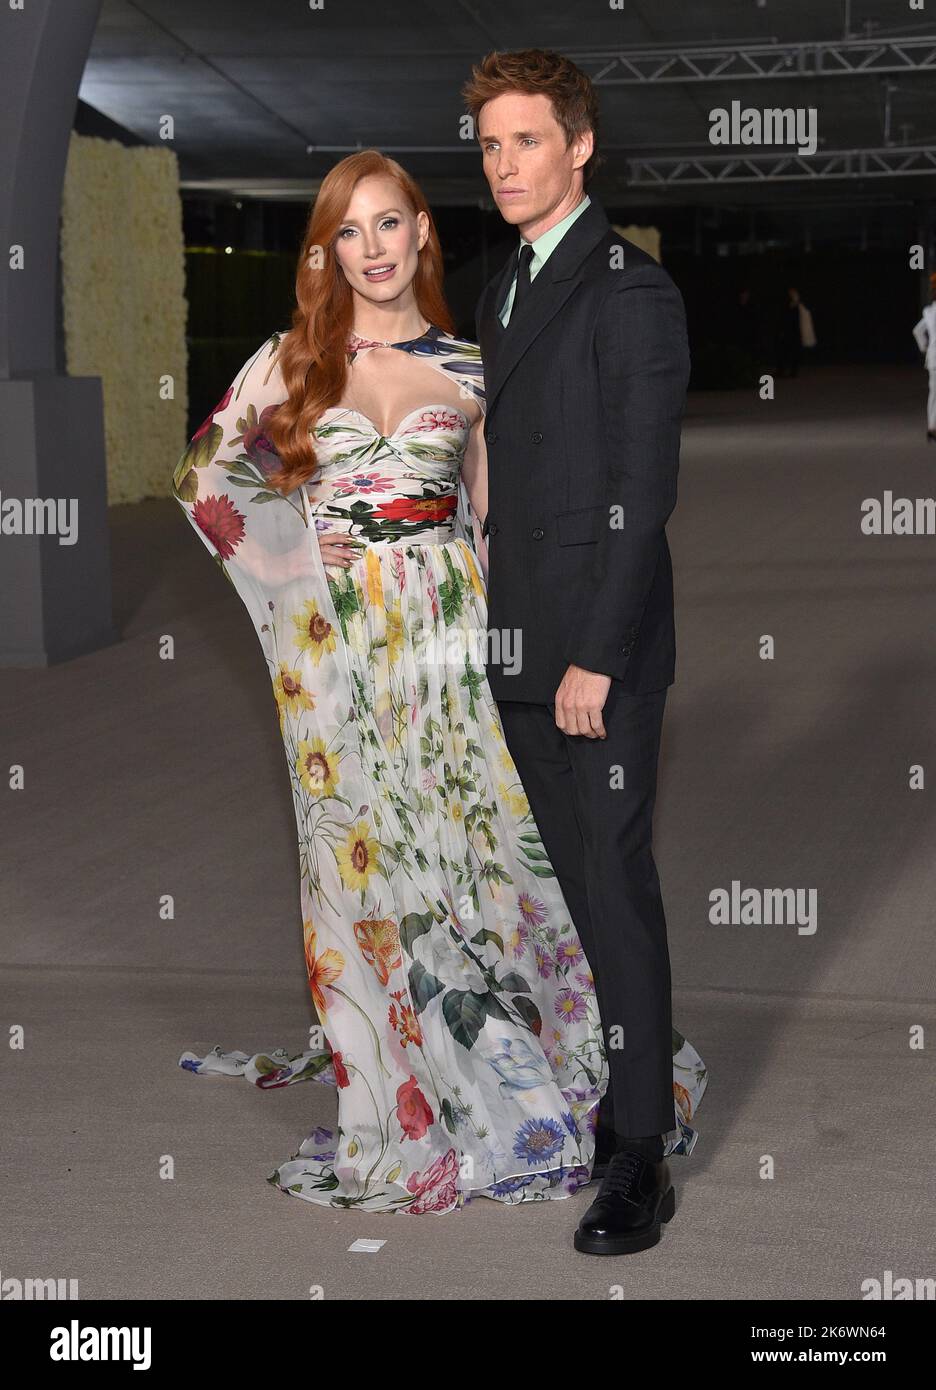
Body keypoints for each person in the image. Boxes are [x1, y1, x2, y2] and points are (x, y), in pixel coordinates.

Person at [172, 149, 706, 1224]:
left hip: (456, 654)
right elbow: (203, 481)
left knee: (478, 853)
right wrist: (298, 599)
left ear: (422, 233)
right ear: (325, 254)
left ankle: (532, 1069)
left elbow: (495, 524)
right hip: (335, 668)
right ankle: (401, 1095)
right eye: (346, 234)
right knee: (362, 871)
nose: (370, 250)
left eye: (389, 225)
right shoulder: (290, 365)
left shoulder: (472, 367)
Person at [464, 48, 705, 1254]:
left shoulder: (628, 289)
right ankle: (621, 1089)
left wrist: (597, 659)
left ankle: (640, 1155)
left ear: (580, 145)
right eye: (491, 143)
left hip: (593, 656)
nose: (506, 163)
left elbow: (641, 488)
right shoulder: (503, 280)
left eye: (527, 140)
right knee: (569, 891)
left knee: (615, 892)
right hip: (517, 641)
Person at [911, 272, 936, 443]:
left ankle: (932, 426)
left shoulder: (929, 311)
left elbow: (917, 331)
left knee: (934, 393)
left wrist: (925, 347)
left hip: (934, 358)